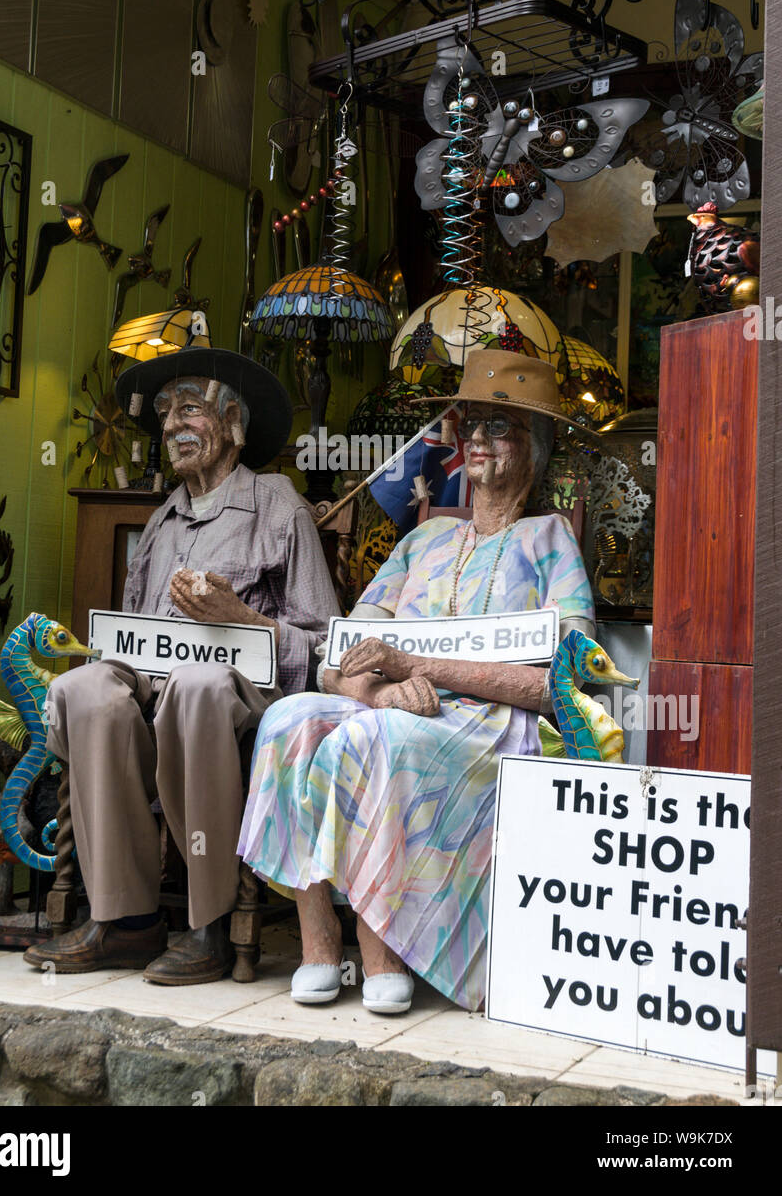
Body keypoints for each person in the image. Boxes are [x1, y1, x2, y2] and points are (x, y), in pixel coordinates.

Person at [238, 350, 596, 1015]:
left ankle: (382, 955)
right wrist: (373, 690)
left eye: (500, 426)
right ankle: (320, 948)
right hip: (394, 706)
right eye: (472, 427)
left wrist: (419, 670)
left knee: (378, 737)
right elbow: (334, 659)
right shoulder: (422, 539)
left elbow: (566, 686)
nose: (479, 441)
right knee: (289, 720)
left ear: (536, 448)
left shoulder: (550, 540)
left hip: (490, 727)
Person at [24, 346, 340, 984]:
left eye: (189, 409)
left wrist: (240, 619)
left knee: (195, 687)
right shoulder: (164, 519)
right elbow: (133, 636)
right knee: (87, 688)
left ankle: (208, 923)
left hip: (238, 707)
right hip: (153, 702)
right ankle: (128, 920)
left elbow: (325, 647)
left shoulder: (282, 511)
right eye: (165, 412)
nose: (170, 426)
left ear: (234, 424)